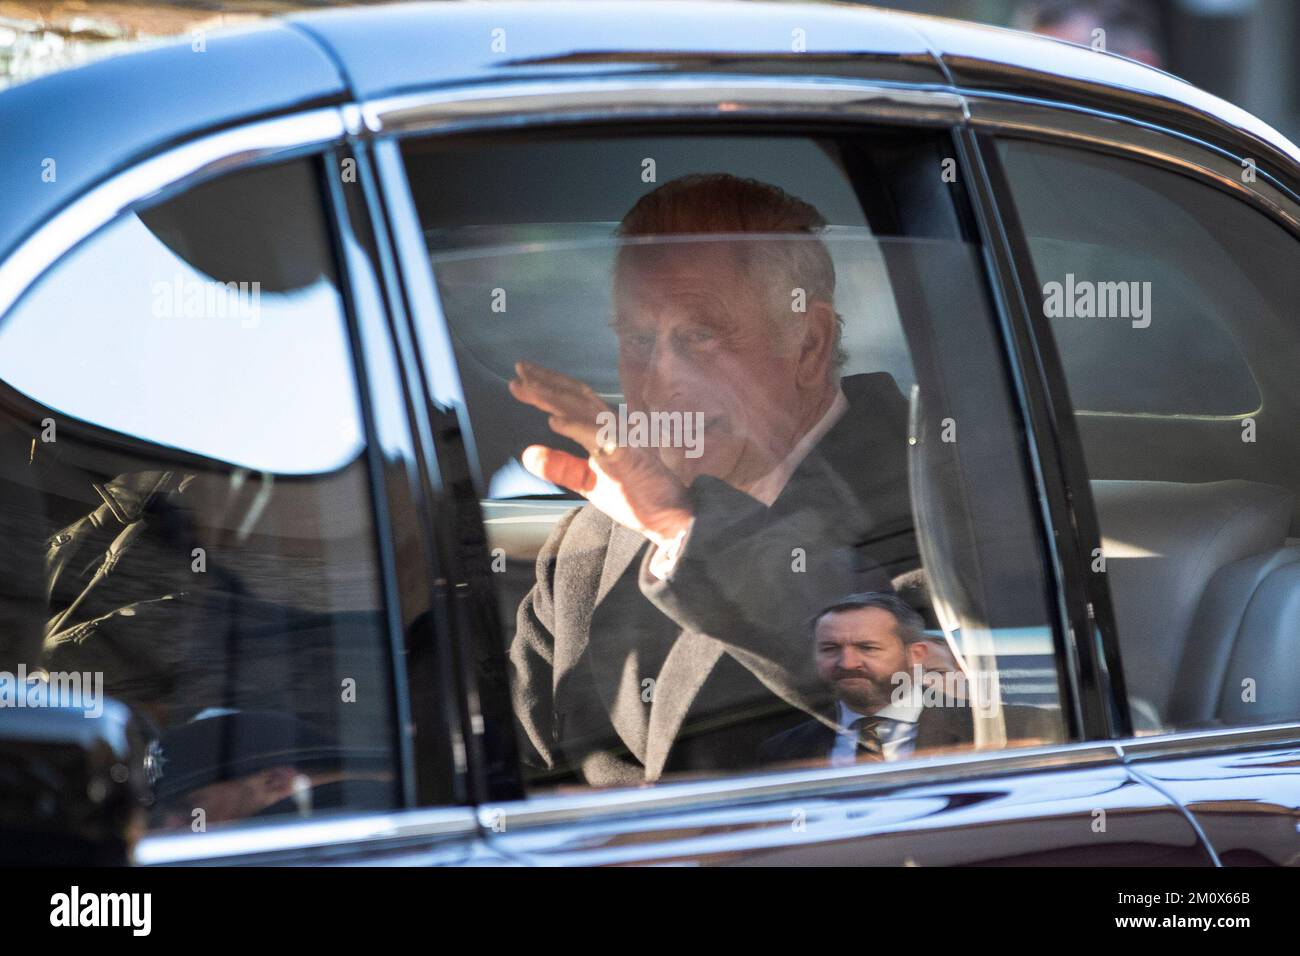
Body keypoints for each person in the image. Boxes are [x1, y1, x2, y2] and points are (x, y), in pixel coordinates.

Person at [507, 174, 918, 787]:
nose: (659, 381)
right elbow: (515, 781)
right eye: (639, 339)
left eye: (700, 335)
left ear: (809, 343)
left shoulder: (933, 497)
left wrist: (683, 530)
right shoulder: (590, 543)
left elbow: (927, 714)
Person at [759, 593, 973, 766]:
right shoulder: (783, 751)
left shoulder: (985, 728)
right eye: (830, 649)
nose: (847, 663)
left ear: (916, 655)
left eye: (867, 648)